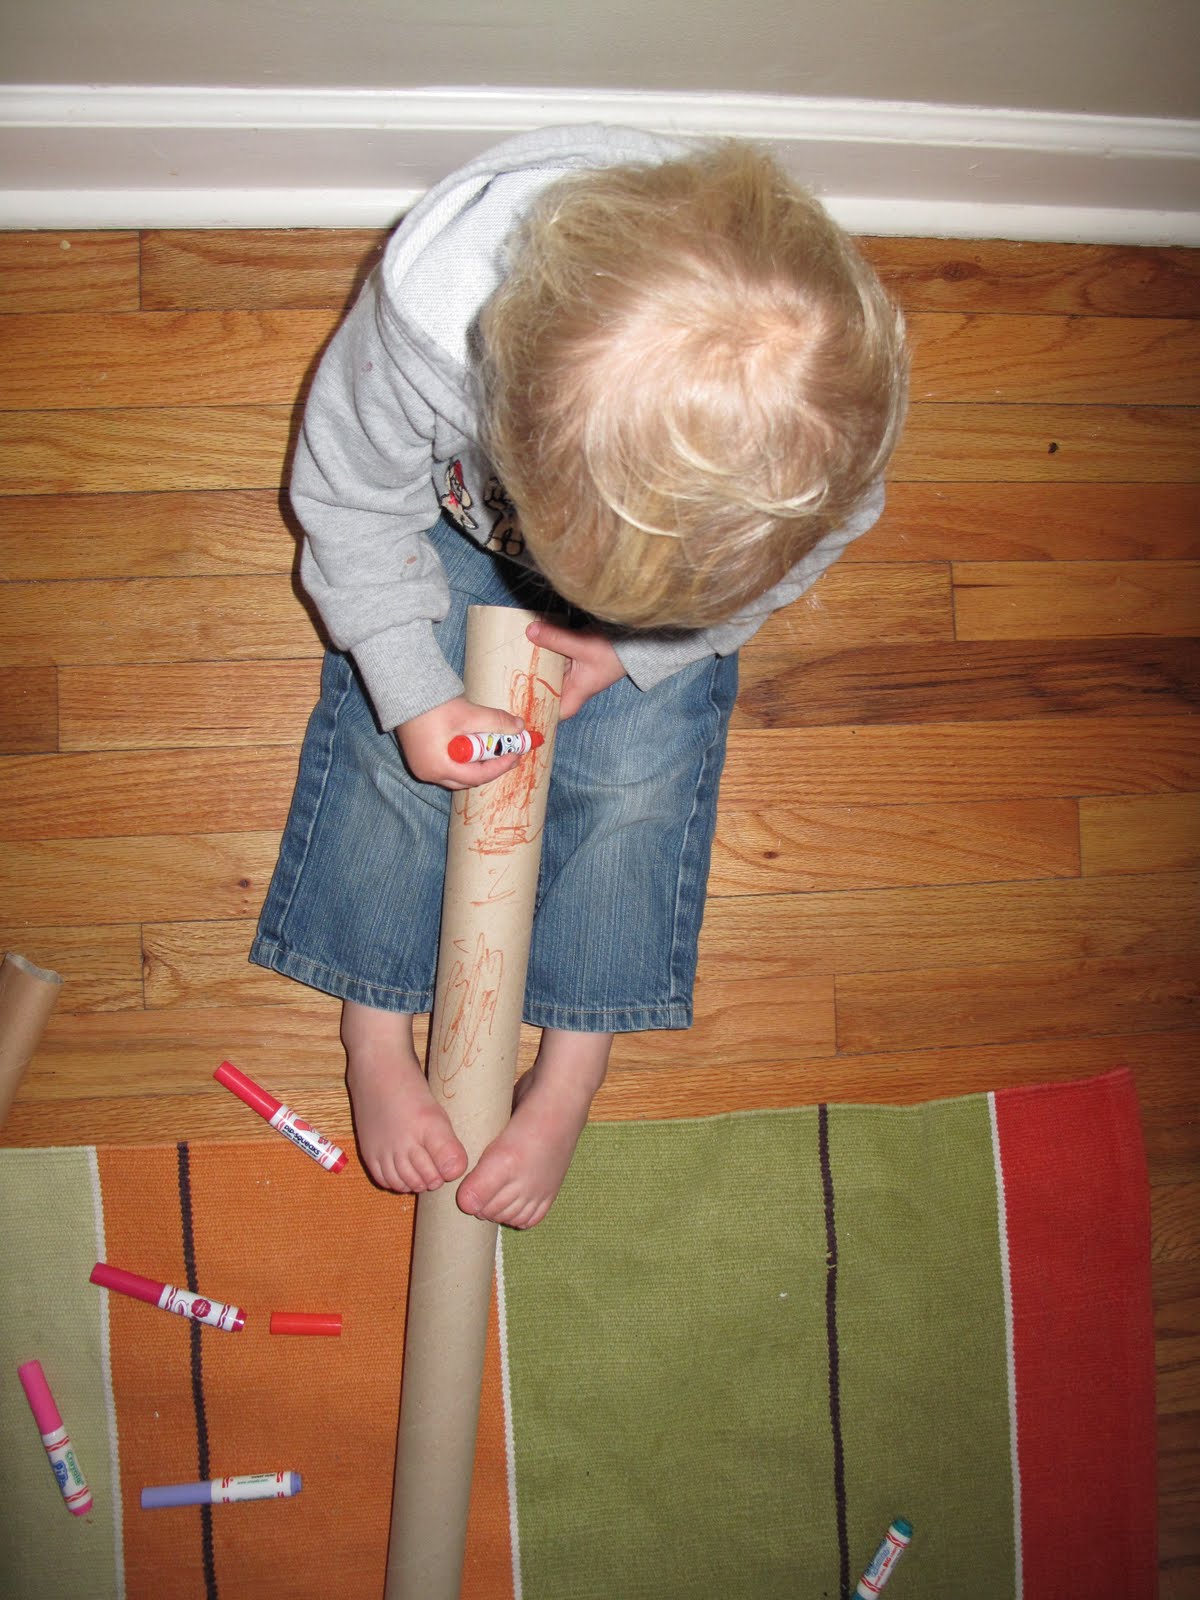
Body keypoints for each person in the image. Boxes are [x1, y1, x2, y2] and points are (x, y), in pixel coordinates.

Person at [250, 124, 908, 1229]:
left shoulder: (825, 418)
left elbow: (818, 540)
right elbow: (352, 507)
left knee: (642, 779)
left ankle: (571, 1069)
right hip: (449, 534)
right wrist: (417, 696)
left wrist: (647, 643)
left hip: (678, 559)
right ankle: (373, 1026)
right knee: (391, 751)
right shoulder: (426, 329)